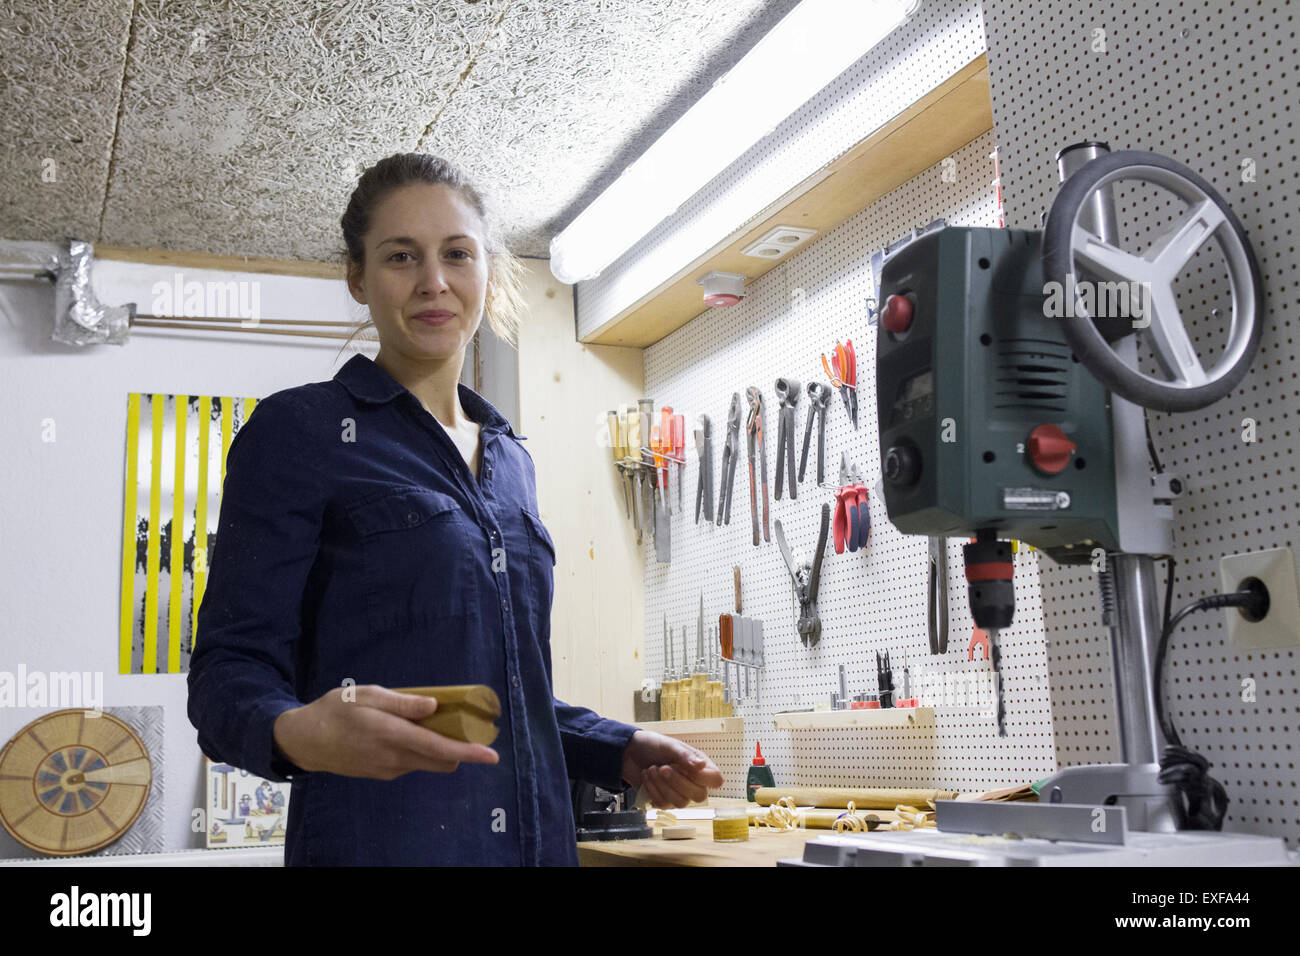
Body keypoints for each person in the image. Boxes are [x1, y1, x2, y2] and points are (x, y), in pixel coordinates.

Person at [188, 153, 723, 865]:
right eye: (401, 256)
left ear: (487, 273)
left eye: (457, 255)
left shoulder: (513, 460)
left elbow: (496, 696)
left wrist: (618, 747)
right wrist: (295, 731)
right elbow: (228, 672)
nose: (433, 282)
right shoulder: (301, 433)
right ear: (358, 277)